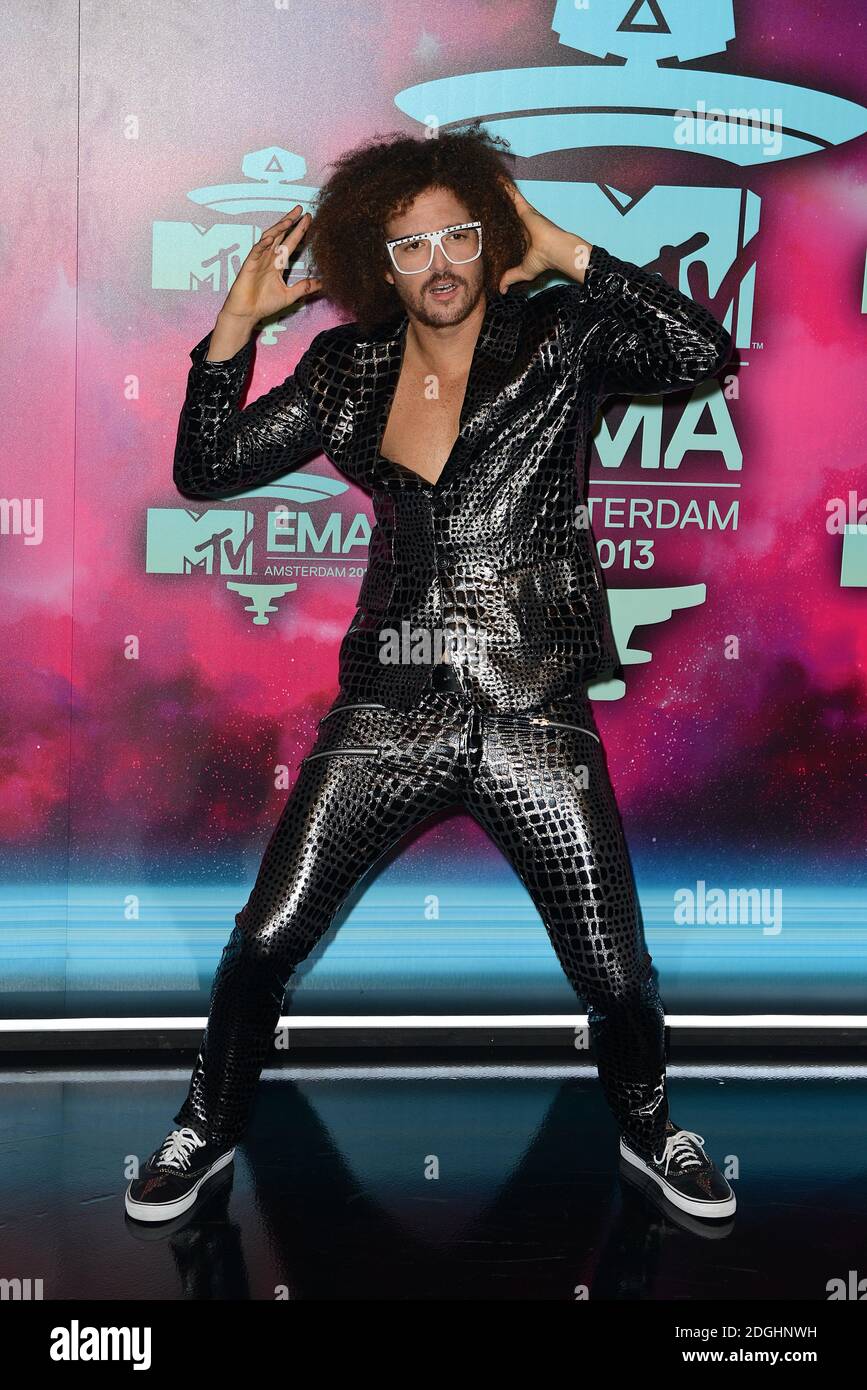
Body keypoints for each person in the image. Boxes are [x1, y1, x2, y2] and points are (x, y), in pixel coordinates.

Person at [125, 126, 736, 1225]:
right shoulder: (346, 367)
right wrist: (236, 326)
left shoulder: (558, 338)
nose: (441, 261)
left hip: (532, 709)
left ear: (491, 236)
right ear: (377, 261)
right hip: (388, 710)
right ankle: (207, 1125)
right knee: (263, 941)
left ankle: (651, 1126)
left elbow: (703, 355)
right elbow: (207, 470)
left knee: (614, 974)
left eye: (461, 233)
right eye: (411, 246)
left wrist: (563, 248)